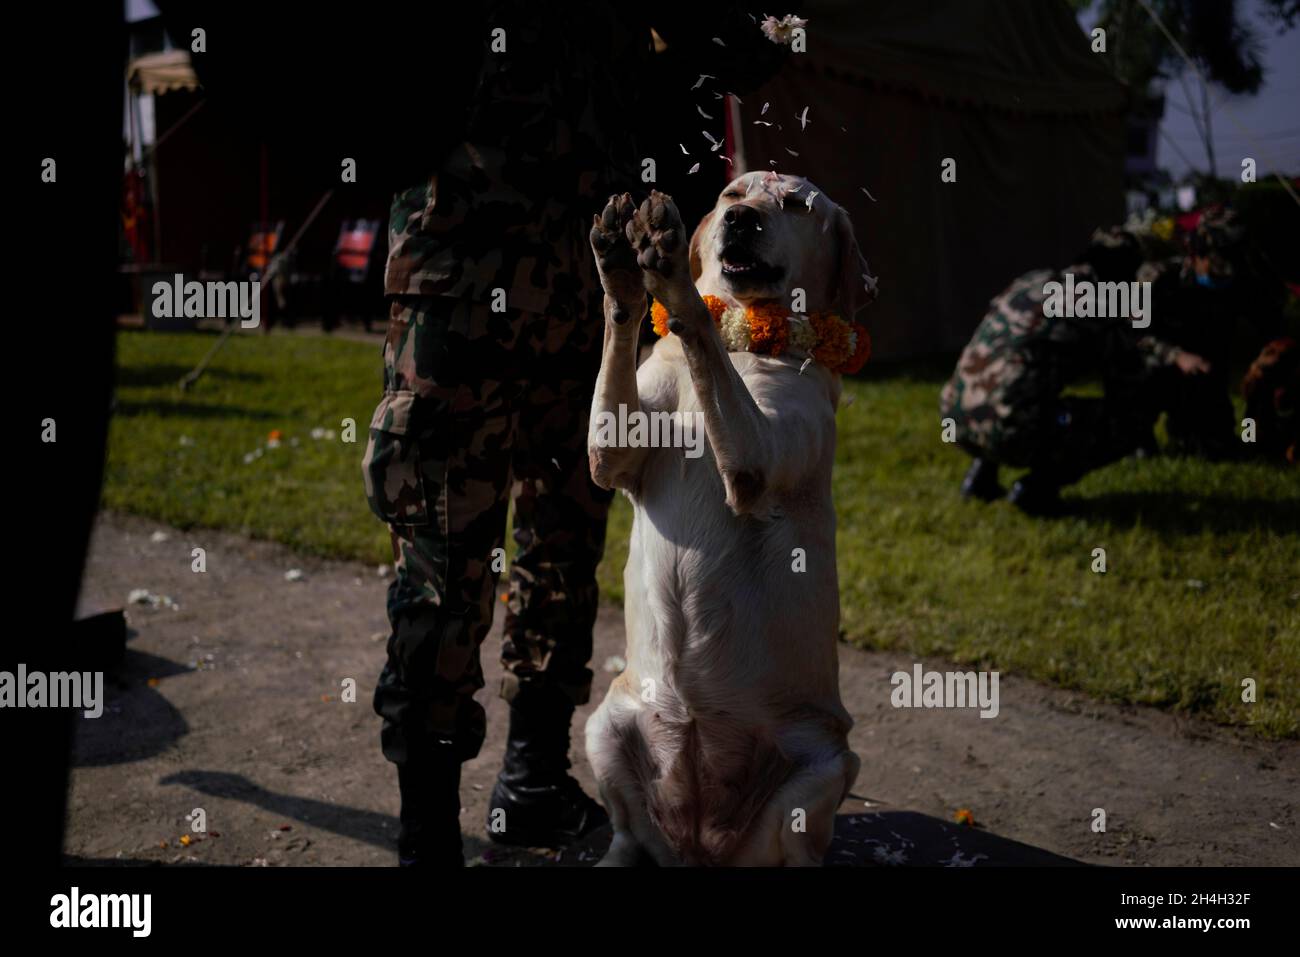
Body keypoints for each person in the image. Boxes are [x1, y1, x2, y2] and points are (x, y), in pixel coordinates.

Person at [362, 3, 787, 866]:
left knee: (564, 538)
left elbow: (744, 52)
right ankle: (427, 833)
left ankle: (532, 783)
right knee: (444, 554)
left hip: (592, 286)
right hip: (460, 263)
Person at [939, 228, 1211, 514]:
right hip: (1010, 431)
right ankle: (1035, 490)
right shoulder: (1104, 302)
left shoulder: (1031, 281)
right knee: (1129, 420)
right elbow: (1126, 383)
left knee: (1011, 393)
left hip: (955, 418)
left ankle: (980, 479)